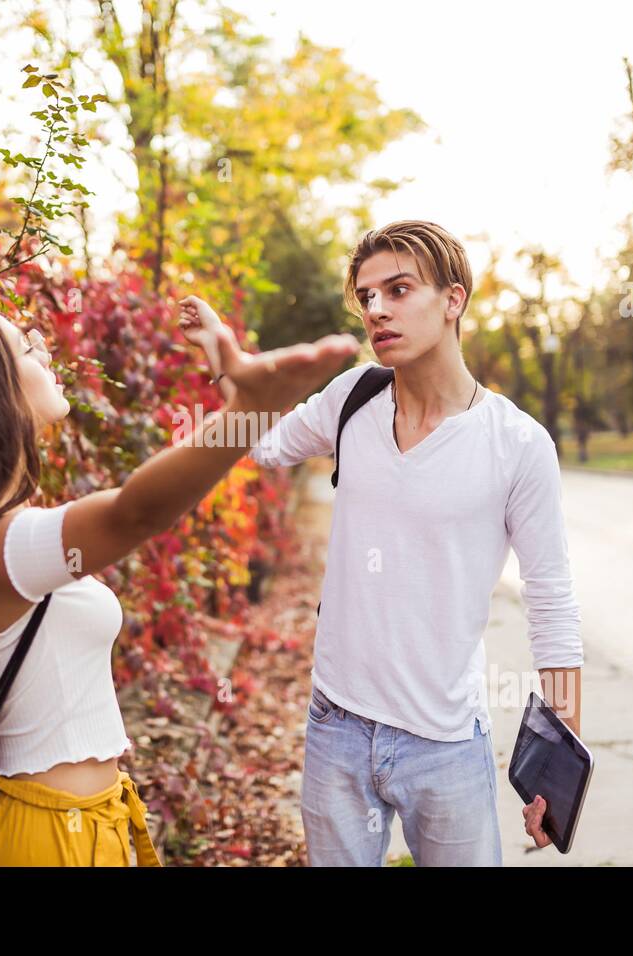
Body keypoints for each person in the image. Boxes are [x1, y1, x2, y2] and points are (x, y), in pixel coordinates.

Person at [0, 291, 358, 866]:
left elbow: (153, 488)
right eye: (25, 346)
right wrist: (245, 414)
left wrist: (232, 384)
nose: (46, 348)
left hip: (78, 821)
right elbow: (134, 512)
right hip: (48, 837)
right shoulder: (4, 548)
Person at [178, 220, 584, 865]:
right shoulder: (353, 397)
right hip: (335, 726)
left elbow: (553, 603)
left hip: (446, 742)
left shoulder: (518, 444)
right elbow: (260, 443)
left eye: (398, 289)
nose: (377, 310)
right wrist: (225, 363)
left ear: (453, 300)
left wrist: (562, 762)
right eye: (367, 297)